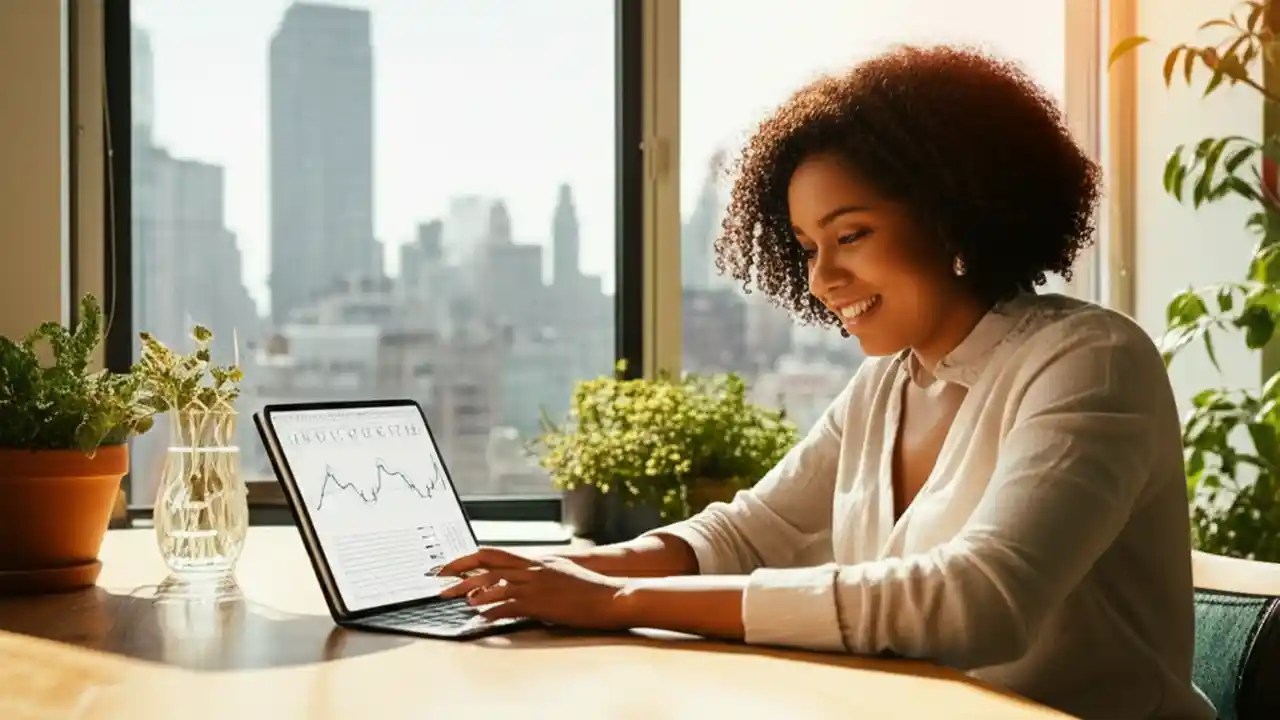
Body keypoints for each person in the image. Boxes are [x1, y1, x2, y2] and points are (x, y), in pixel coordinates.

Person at [440, 45, 1214, 719]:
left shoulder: (1089, 361)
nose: (823, 278)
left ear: (956, 216)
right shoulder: (887, 384)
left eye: (851, 235)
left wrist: (619, 602)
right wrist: (562, 574)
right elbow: (746, 534)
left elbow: (979, 603)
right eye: (808, 246)